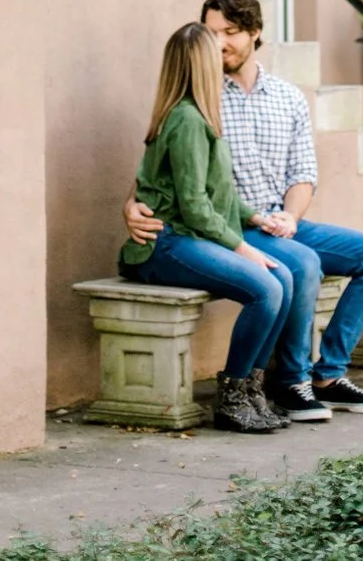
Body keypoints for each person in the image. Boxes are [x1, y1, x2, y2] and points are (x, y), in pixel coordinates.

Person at [126, 0, 363, 422]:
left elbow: (304, 173)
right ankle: (292, 382)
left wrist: (289, 216)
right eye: (211, 33)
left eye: (230, 32)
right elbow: (170, 171)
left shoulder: (287, 97)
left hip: (278, 221)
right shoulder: (200, 96)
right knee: (303, 264)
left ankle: (328, 374)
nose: (219, 43)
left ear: (255, 33)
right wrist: (132, 203)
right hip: (229, 227)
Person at [118, 22, 293, 434]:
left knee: (282, 276)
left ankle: (251, 390)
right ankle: (232, 397)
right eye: (216, 52)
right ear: (202, 65)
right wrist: (242, 248)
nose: (224, 57)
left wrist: (253, 218)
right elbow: (195, 208)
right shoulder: (187, 121)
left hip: (188, 238)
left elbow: (219, 193)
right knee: (266, 287)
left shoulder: (201, 117)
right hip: (165, 245)